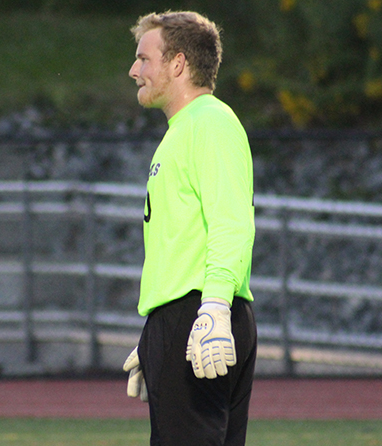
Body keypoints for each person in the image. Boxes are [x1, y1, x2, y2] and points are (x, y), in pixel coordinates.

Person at [122, 11, 257, 446]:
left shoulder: (208, 122)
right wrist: (156, 338)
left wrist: (212, 309)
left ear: (178, 63)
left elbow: (231, 222)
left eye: (144, 58)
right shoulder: (185, 129)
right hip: (187, 317)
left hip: (199, 313)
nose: (134, 70)